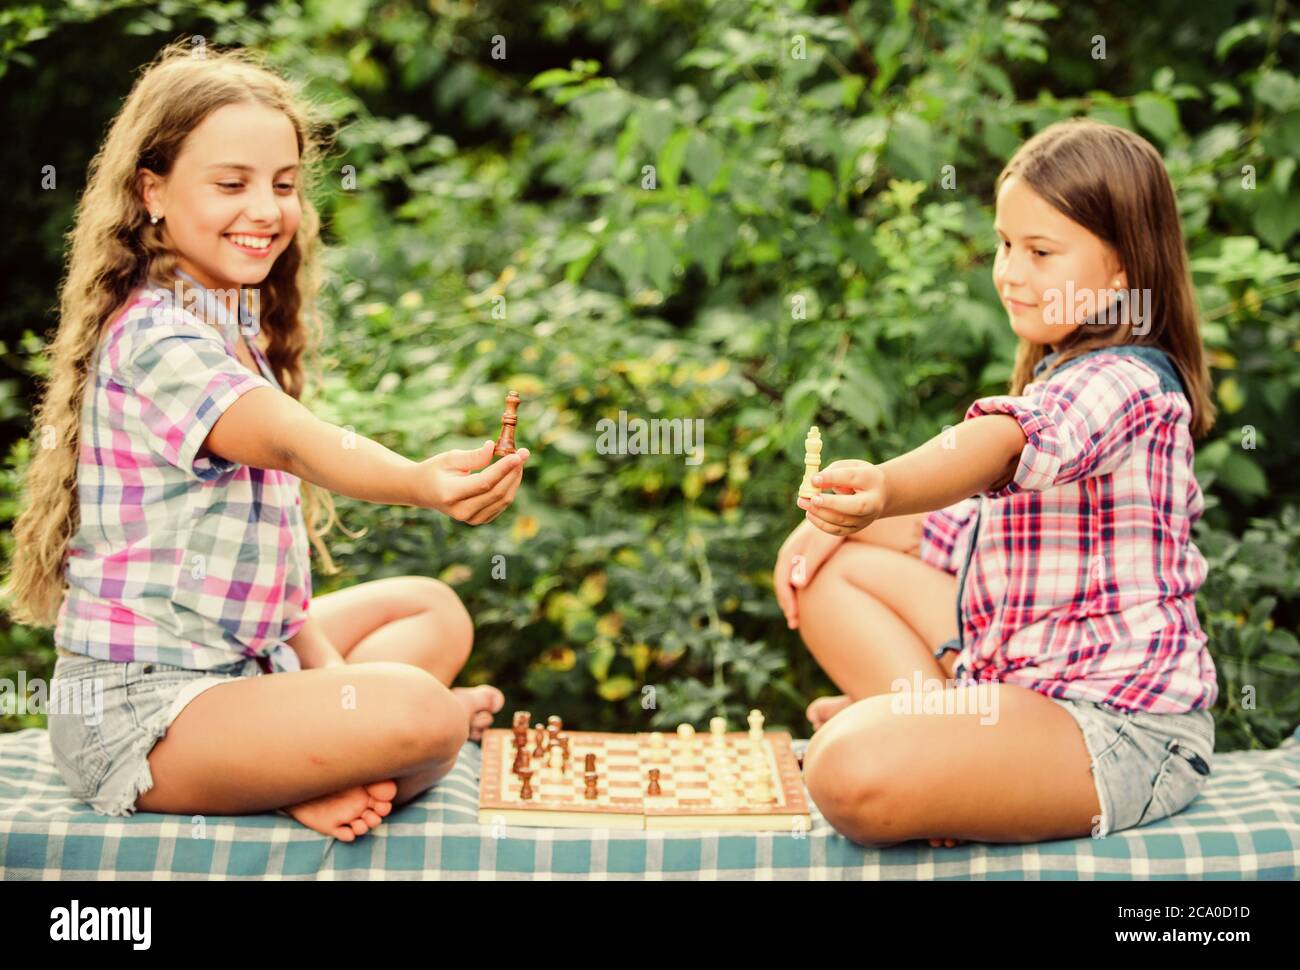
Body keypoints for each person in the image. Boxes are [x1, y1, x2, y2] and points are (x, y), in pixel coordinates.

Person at [4, 42, 528, 842]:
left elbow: (276, 598)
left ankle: (323, 747)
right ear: (152, 192)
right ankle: (306, 767)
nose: (266, 209)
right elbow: (292, 443)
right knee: (426, 713)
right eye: (231, 184)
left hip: (240, 672)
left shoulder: (230, 324)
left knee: (435, 610)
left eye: (283, 185)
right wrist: (423, 481)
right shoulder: (156, 338)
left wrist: (340, 698)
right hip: (145, 713)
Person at [772, 119, 1218, 847]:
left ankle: (932, 759)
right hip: (1013, 683)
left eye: (1041, 251)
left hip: (1121, 727)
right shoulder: (1063, 370)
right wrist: (833, 518)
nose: (1009, 271)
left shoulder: (1128, 381)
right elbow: (963, 535)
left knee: (846, 766)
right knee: (814, 568)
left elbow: (1007, 439)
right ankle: (953, 758)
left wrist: (885, 482)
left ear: (1120, 270)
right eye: (1006, 244)